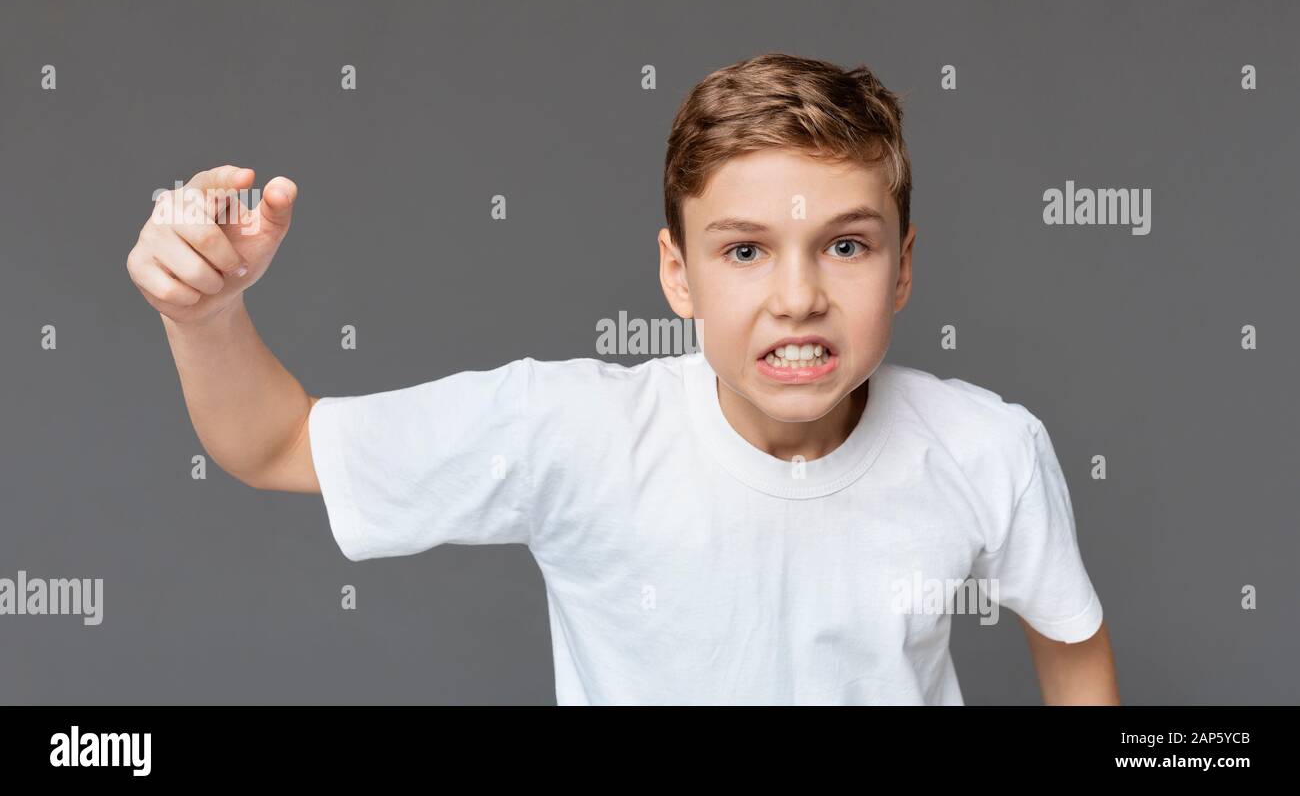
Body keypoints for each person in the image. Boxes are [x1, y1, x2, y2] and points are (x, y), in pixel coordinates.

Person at [125, 52, 1120, 705]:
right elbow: (273, 441)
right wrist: (205, 315)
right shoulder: (574, 430)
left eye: (846, 246)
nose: (797, 295)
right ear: (674, 273)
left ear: (902, 266)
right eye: (742, 251)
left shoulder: (987, 447)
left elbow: (1072, 648)